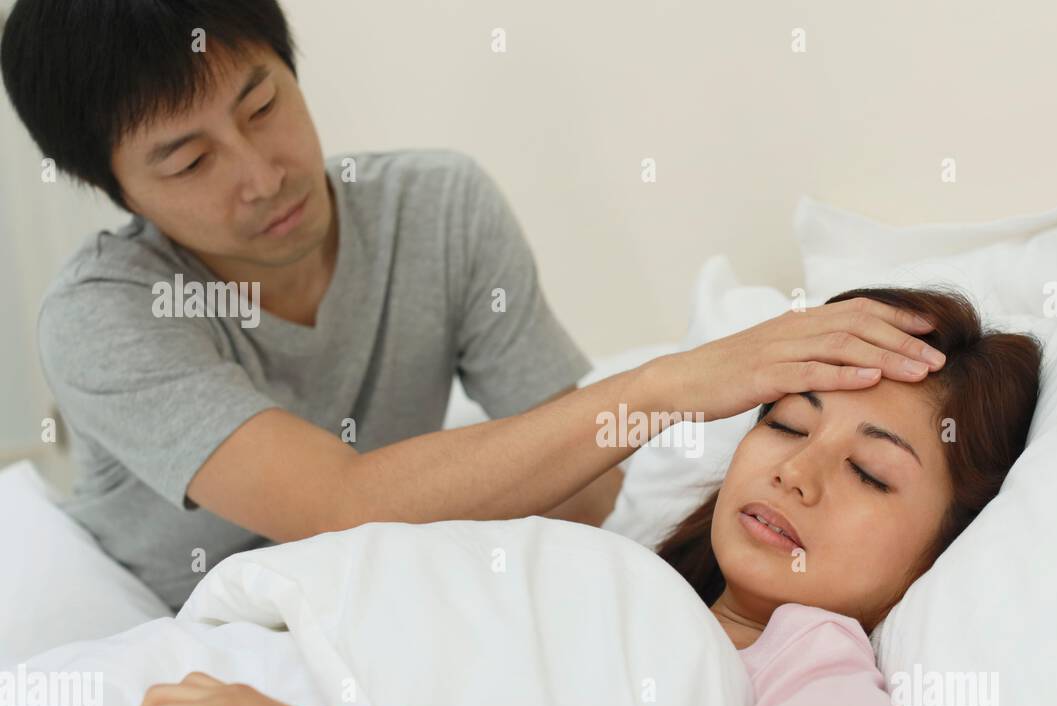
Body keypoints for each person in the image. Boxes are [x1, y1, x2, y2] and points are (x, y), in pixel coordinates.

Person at [1, 0, 943, 611]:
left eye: (261, 107)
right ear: (121, 194)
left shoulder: (439, 209)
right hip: (151, 604)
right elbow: (340, 506)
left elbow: (591, 491)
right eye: (191, 161)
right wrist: (679, 383)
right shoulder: (102, 316)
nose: (262, 174)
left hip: (374, 584)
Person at [126, 288, 1043, 706]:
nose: (795, 473)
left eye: (872, 472)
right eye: (788, 424)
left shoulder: (814, 661)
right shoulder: (614, 577)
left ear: (939, 550)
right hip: (190, 695)